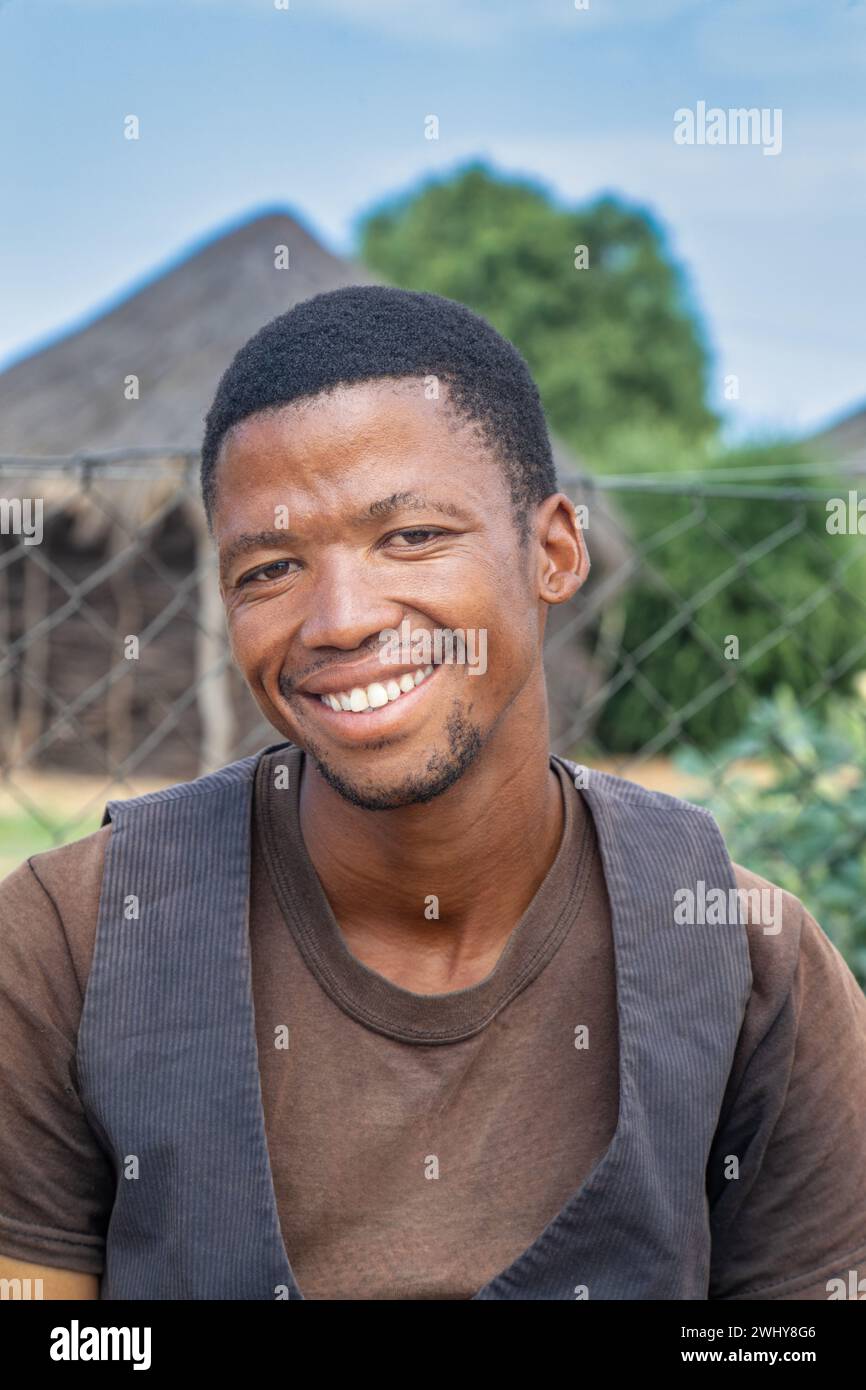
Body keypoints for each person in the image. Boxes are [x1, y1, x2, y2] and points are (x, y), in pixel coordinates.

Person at [1, 286, 865, 1300]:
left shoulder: (745, 959)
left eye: (409, 536)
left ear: (552, 551)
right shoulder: (76, 944)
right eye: (271, 566)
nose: (340, 618)